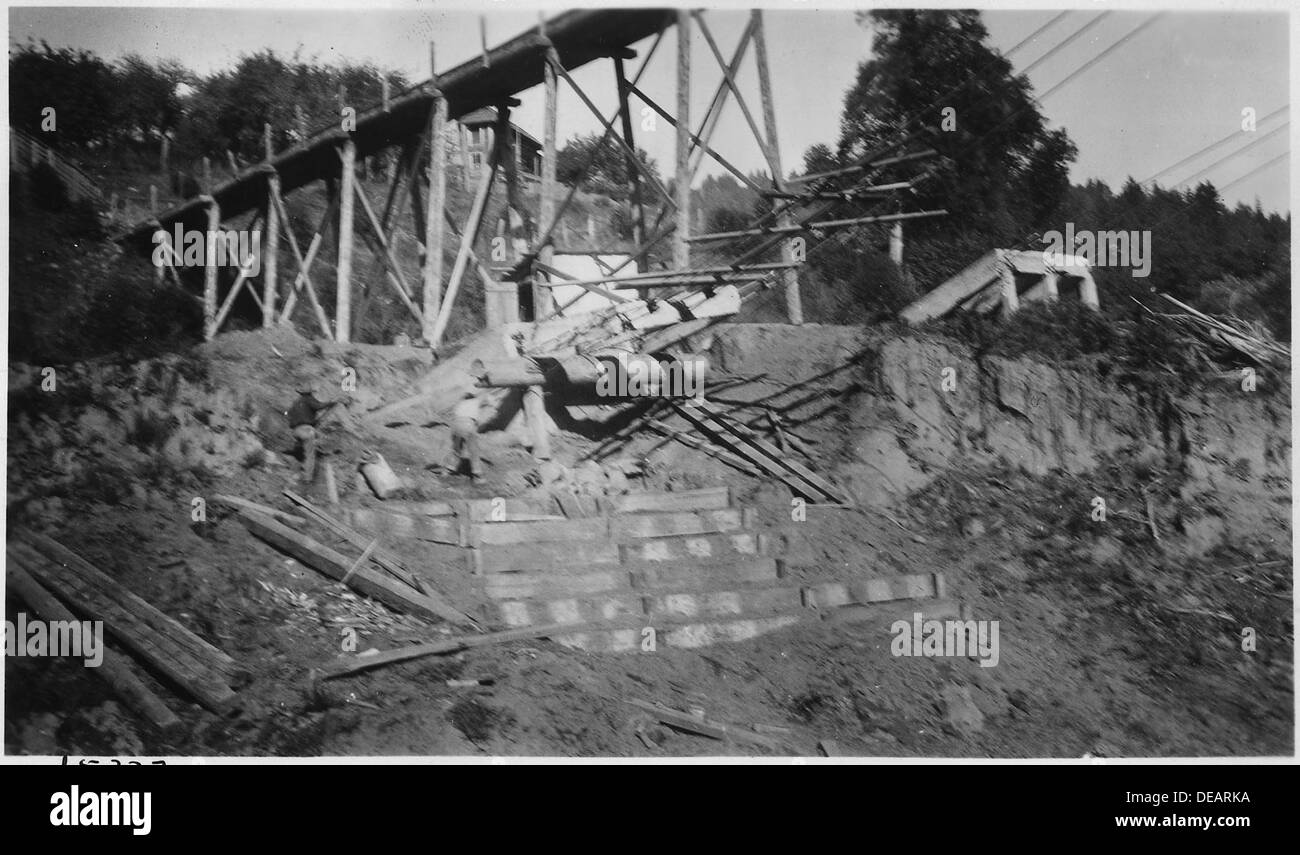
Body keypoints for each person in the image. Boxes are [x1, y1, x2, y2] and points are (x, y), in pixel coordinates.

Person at [287, 384, 342, 483]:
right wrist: (331, 402)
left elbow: (288, 415)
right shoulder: (308, 399)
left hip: (295, 432)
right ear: (310, 392)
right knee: (310, 454)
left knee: (305, 445)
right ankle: (307, 478)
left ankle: (297, 469)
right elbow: (319, 406)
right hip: (306, 430)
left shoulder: (295, 403)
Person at [450, 390, 483, 482]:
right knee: (473, 450)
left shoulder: (460, 403)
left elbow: (454, 415)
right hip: (468, 424)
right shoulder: (475, 402)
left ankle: (450, 468)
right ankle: (477, 475)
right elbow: (477, 421)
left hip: (455, 424)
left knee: (456, 448)